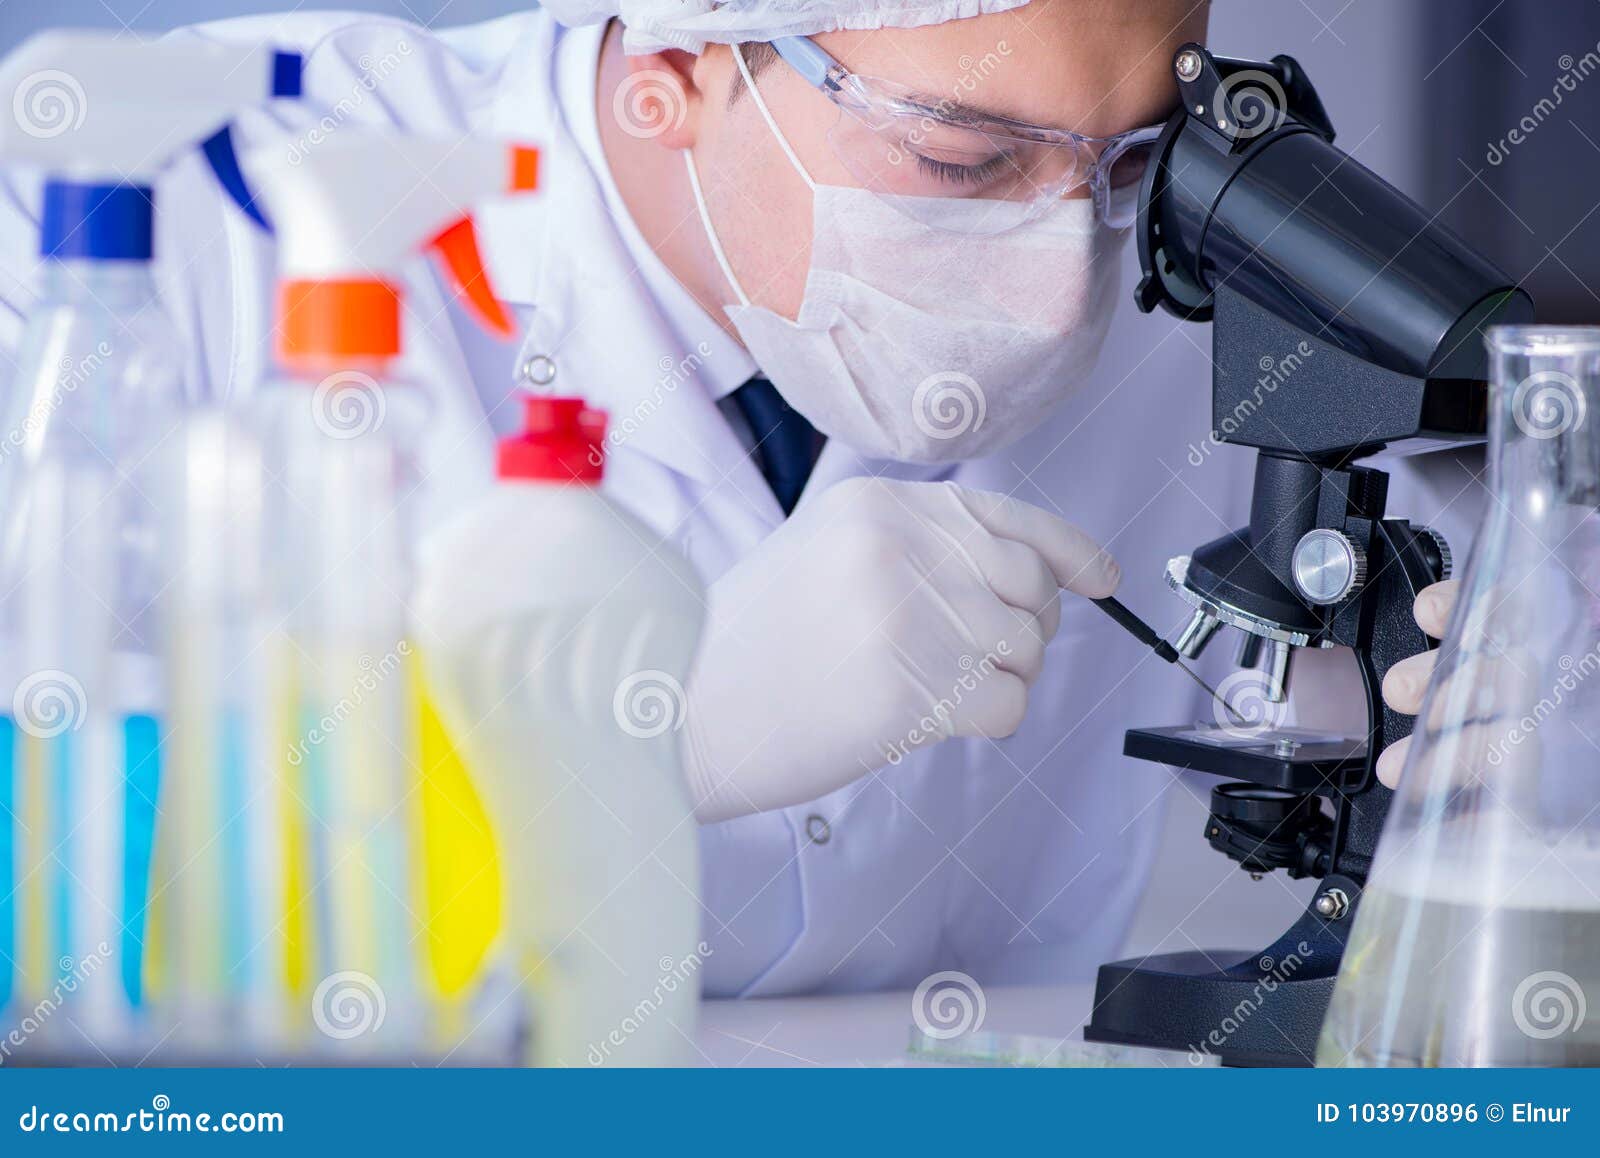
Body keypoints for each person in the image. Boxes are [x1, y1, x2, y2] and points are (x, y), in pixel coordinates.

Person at [0, 0, 1255, 999]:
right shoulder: (136, 208)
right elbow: (35, 879)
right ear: (679, 63)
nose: (1057, 286)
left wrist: (1413, 727)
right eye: (959, 159)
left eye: (1133, 159)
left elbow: (1302, 683)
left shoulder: (1151, 270)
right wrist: (629, 745)